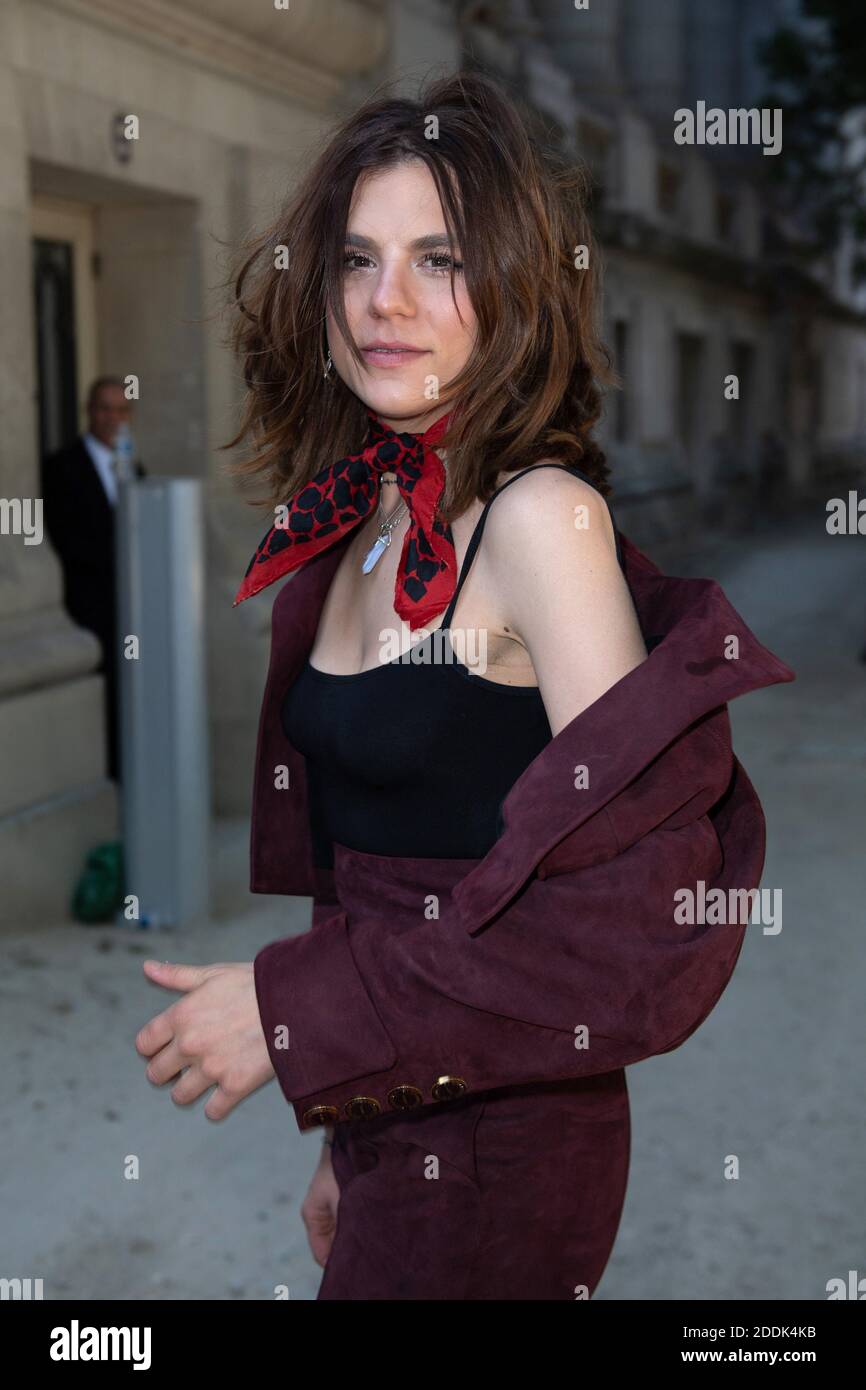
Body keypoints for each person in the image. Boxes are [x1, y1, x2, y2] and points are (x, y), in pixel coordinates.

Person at [134, 73, 794, 1299]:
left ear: (511, 289)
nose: (385, 301)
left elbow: (632, 930)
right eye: (355, 259)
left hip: (511, 1148)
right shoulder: (360, 521)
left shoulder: (543, 522)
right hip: (400, 1114)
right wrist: (348, 1125)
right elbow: (374, 873)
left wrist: (289, 1015)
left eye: (438, 260)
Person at [42, 377, 145, 781]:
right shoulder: (60, 467)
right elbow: (63, 538)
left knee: (130, 703)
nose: (112, 418)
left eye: (121, 410)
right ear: (89, 410)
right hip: (87, 606)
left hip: (129, 611)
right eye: (105, 409)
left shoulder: (134, 465)